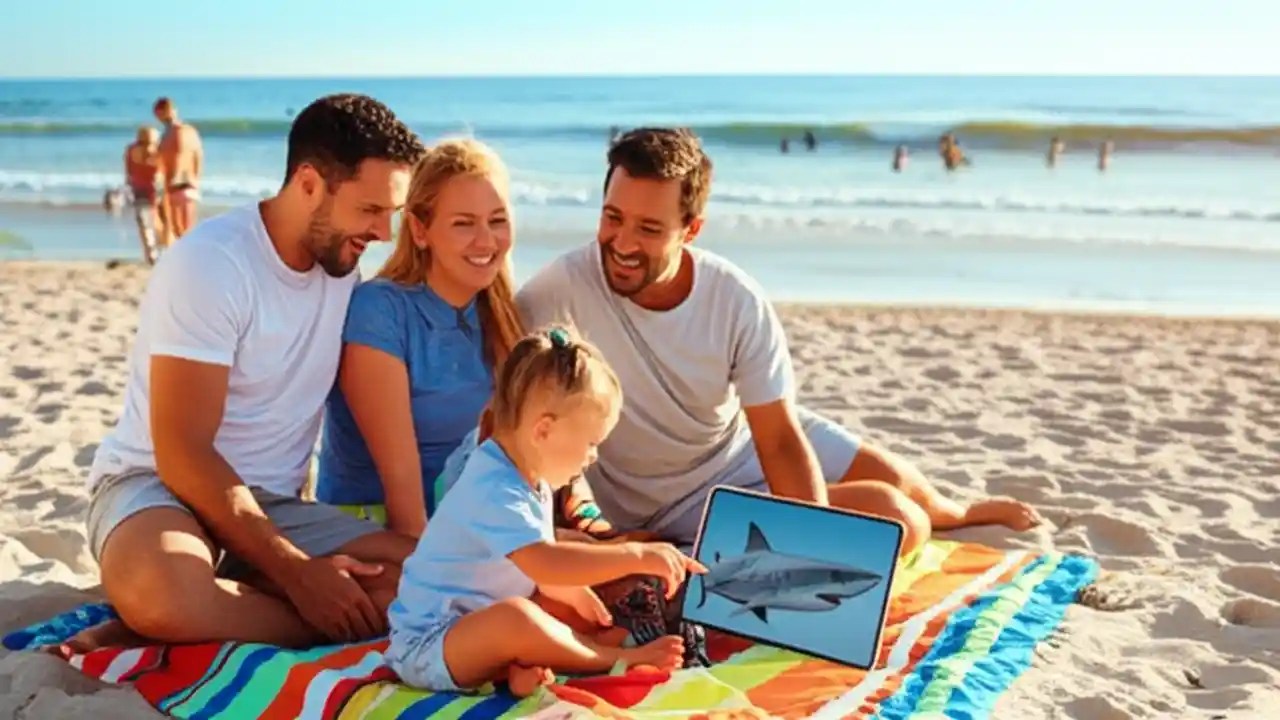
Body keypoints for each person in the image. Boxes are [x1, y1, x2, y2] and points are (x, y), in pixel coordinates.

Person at [516, 127, 1043, 556]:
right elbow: (500, 364)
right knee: (898, 518)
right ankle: (895, 518)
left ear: (691, 230)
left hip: (740, 439)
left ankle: (957, 512)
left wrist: (805, 542)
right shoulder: (562, 287)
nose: (623, 243)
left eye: (649, 229)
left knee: (902, 486)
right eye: (613, 218)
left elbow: (780, 438)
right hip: (673, 501)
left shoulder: (734, 297)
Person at [70, 93, 428, 653]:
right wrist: (297, 574)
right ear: (309, 183)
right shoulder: (213, 264)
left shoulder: (343, 273)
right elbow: (182, 452)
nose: (383, 233)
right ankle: (191, 611)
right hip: (158, 487)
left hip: (272, 508)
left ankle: (202, 615)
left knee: (432, 580)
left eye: (392, 214)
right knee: (163, 588)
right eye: (369, 210)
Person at [385, 325, 698, 696]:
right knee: (517, 619)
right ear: (543, 431)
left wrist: (576, 597)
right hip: (429, 646)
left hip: (474, 624)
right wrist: (635, 555)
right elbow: (544, 561)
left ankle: (517, 667)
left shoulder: (528, 477)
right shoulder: (494, 489)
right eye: (591, 443)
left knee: (556, 609)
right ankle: (611, 659)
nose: (594, 456)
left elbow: (541, 569)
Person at [316, 138, 524, 538]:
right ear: (419, 229)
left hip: (462, 523)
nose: (486, 241)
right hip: (373, 529)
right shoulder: (379, 310)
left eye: (497, 220)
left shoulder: (502, 316)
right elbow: (403, 499)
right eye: (464, 223)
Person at [154, 96, 204, 245]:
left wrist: (165, 188)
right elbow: (199, 156)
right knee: (186, 231)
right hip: (190, 185)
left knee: (180, 232)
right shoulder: (190, 131)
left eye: (158, 113)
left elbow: (174, 158)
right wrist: (196, 178)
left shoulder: (172, 133)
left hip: (175, 186)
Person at [124, 126, 162, 264]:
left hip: (138, 188)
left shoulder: (131, 150)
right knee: (155, 221)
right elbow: (161, 172)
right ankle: (155, 250)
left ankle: (149, 253)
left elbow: (128, 172)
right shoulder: (157, 151)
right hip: (154, 190)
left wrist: (128, 185)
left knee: (143, 222)